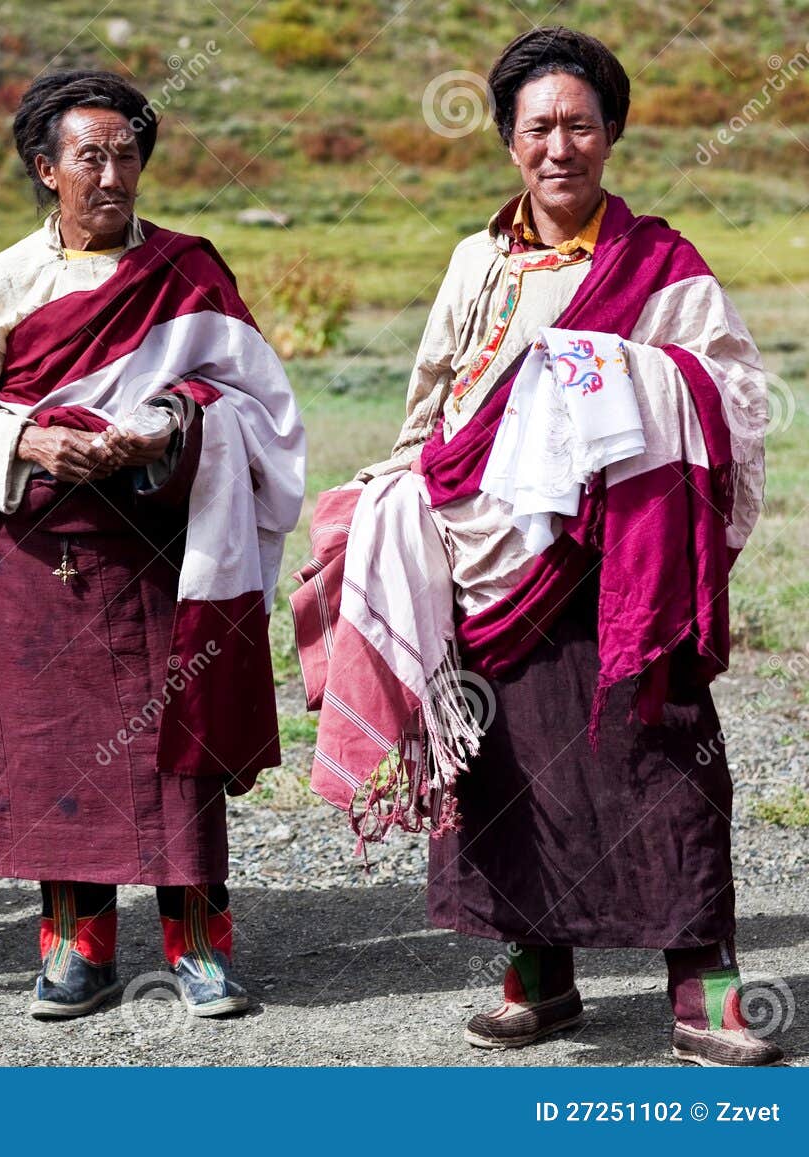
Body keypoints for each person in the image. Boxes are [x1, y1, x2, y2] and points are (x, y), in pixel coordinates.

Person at [291, 29, 781, 1065]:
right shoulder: (477, 264)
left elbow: (734, 394)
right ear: (509, 141)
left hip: (620, 563)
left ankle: (704, 978)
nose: (560, 147)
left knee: (661, 759)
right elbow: (433, 404)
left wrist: (620, 373)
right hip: (486, 564)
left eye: (581, 126)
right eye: (539, 127)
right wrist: (403, 492)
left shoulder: (661, 264)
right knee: (508, 764)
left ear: (614, 132)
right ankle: (538, 968)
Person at [0, 70, 305, 1019]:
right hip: (43, 556)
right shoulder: (9, 278)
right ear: (44, 169)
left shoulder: (188, 270)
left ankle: (199, 948)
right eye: (89, 157)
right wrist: (30, 439)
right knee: (56, 754)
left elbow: (258, 401)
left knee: (179, 748)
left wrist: (174, 423)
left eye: (127, 155)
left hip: (163, 551)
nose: (111, 175)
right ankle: (74, 949)